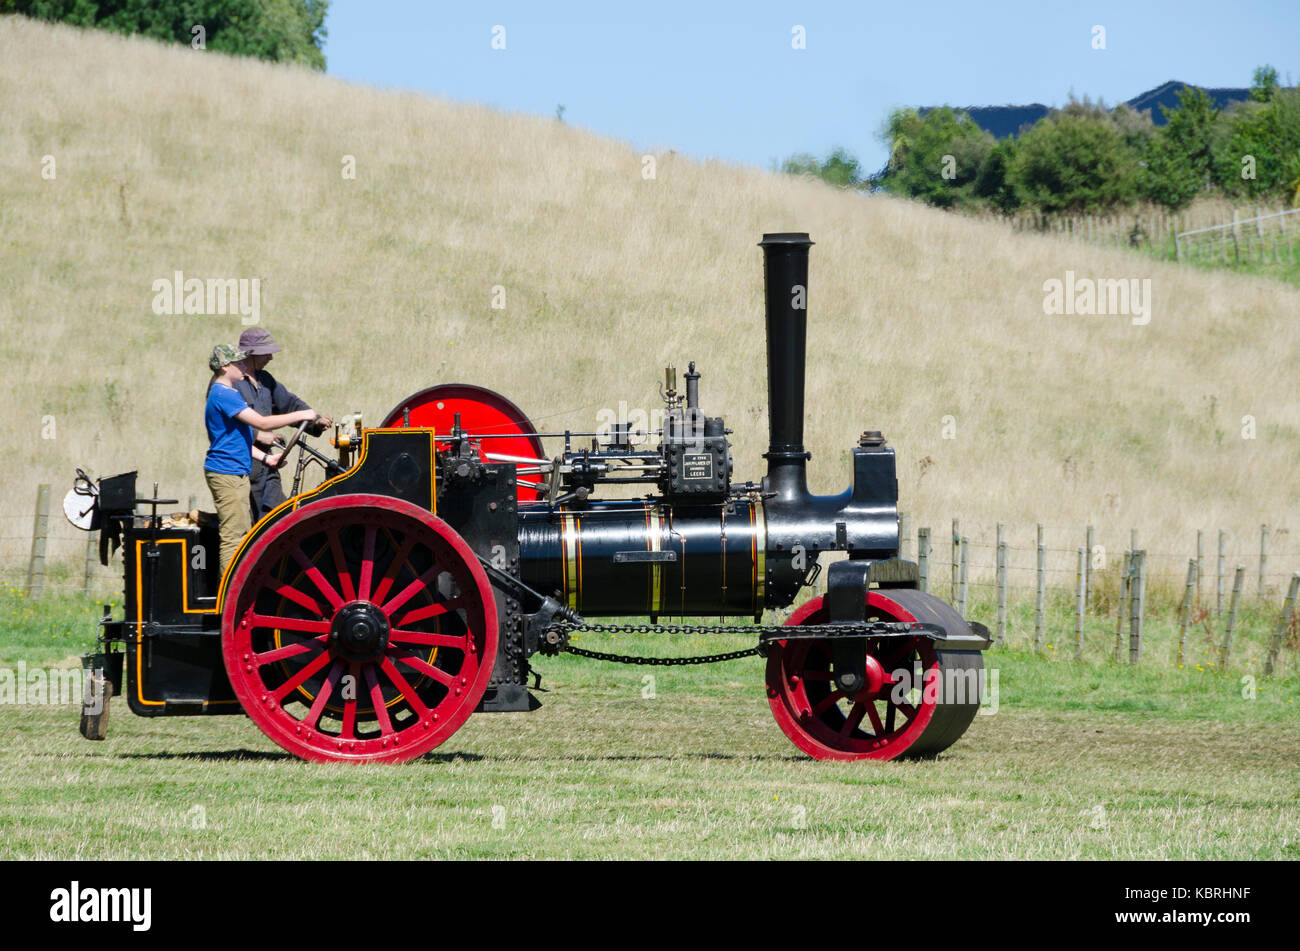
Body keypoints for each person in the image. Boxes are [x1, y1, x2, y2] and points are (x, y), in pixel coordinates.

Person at [205, 344, 318, 576]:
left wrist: (266, 459)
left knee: (243, 533)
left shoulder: (229, 393)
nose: (244, 366)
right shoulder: (223, 394)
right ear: (226, 367)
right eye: (239, 363)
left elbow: (239, 439)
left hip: (235, 470)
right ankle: (229, 598)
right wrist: (302, 414)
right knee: (234, 538)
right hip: (227, 473)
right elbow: (262, 424)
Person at [233, 326, 333, 521]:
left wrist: (316, 421)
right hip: (242, 467)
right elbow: (227, 424)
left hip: (267, 465)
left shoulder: (265, 379)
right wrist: (258, 435)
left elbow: (290, 404)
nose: (270, 357)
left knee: (279, 516)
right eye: (267, 353)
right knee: (252, 522)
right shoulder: (232, 383)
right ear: (253, 353)